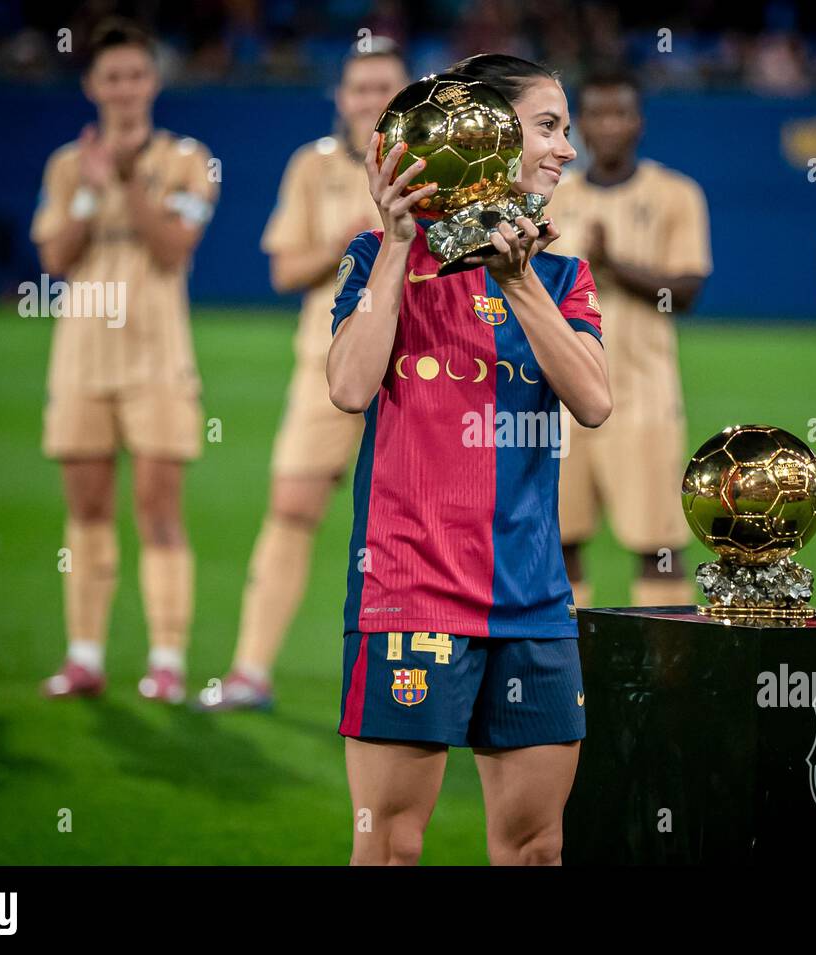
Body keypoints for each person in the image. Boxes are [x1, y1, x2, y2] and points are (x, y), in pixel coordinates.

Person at [328, 54, 610, 864]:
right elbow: (349, 386)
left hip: (532, 600)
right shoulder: (384, 260)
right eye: (549, 127)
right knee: (390, 848)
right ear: (487, 133)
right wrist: (394, 246)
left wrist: (517, 281)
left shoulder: (560, 275)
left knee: (536, 850)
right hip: (408, 593)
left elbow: (593, 401)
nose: (567, 148)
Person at [196, 39, 406, 712]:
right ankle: (251, 669)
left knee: (408, 526)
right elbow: (284, 271)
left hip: (415, 366)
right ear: (340, 98)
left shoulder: (437, 166)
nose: (372, 100)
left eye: (386, 88)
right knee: (291, 507)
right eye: (361, 88)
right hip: (330, 361)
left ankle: (413, 684)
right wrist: (344, 240)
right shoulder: (311, 167)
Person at [32, 18, 218, 703]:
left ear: (154, 81)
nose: (124, 88)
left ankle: (167, 658)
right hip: (81, 356)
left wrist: (125, 180)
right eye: (111, 76)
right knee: (85, 507)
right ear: (92, 85)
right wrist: (87, 189)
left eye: (136, 75)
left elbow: (173, 248)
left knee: (159, 509)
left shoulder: (187, 159)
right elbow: (55, 258)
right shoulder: (65, 164)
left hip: (158, 359)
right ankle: (84, 655)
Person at [550, 69, 711, 611]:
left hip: (643, 398)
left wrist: (615, 265)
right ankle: (567, 680)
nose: (608, 125)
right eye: (596, 114)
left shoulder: (674, 193)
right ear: (580, 126)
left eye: (620, 113)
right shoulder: (552, 196)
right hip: (562, 398)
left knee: (658, 545)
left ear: (638, 122)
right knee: (561, 542)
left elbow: (687, 289)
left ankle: (661, 684)